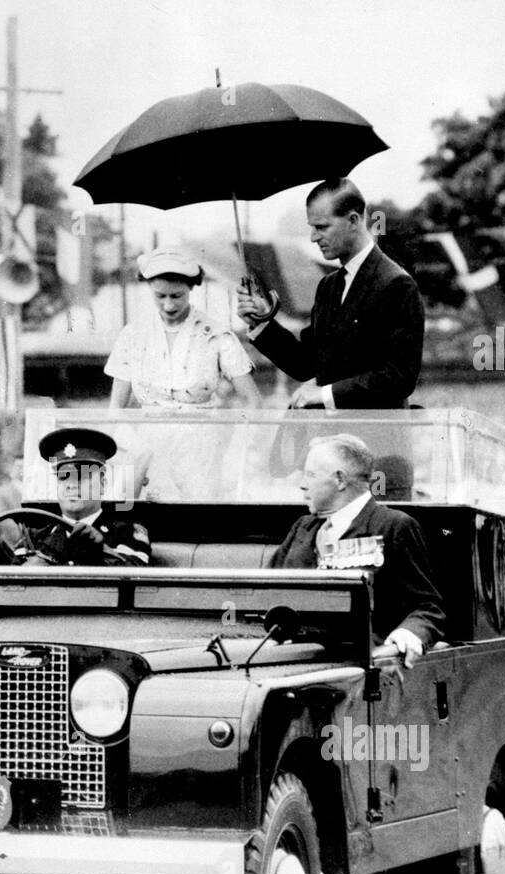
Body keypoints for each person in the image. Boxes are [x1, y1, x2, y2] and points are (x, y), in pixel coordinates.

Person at [237, 179, 424, 409]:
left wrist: (325, 395)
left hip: (375, 437)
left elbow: (399, 378)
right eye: (312, 227)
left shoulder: (397, 285)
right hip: (328, 436)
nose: (313, 237)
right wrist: (262, 321)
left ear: (353, 220)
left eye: (322, 227)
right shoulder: (328, 286)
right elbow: (306, 364)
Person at [269, 434, 444, 667]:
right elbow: (267, 594)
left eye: (310, 475)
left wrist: (407, 635)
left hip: (357, 666)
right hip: (289, 660)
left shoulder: (393, 526)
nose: (302, 483)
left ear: (340, 480)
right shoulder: (303, 527)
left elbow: (427, 608)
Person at [0, 428, 151, 567]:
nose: (71, 484)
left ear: (102, 484)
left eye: (82, 476)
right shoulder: (35, 537)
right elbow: (14, 584)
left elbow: (136, 578)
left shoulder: (127, 533)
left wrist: (101, 551)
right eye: (63, 476)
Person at [107, 248, 261, 410]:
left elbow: (252, 400)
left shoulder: (218, 335)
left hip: (202, 432)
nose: (168, 305)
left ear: (190, 288)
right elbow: (116, 406)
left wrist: (244, 435)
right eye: (160, 296)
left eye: (176, 296)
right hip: (145, 433)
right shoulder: (133, 334)